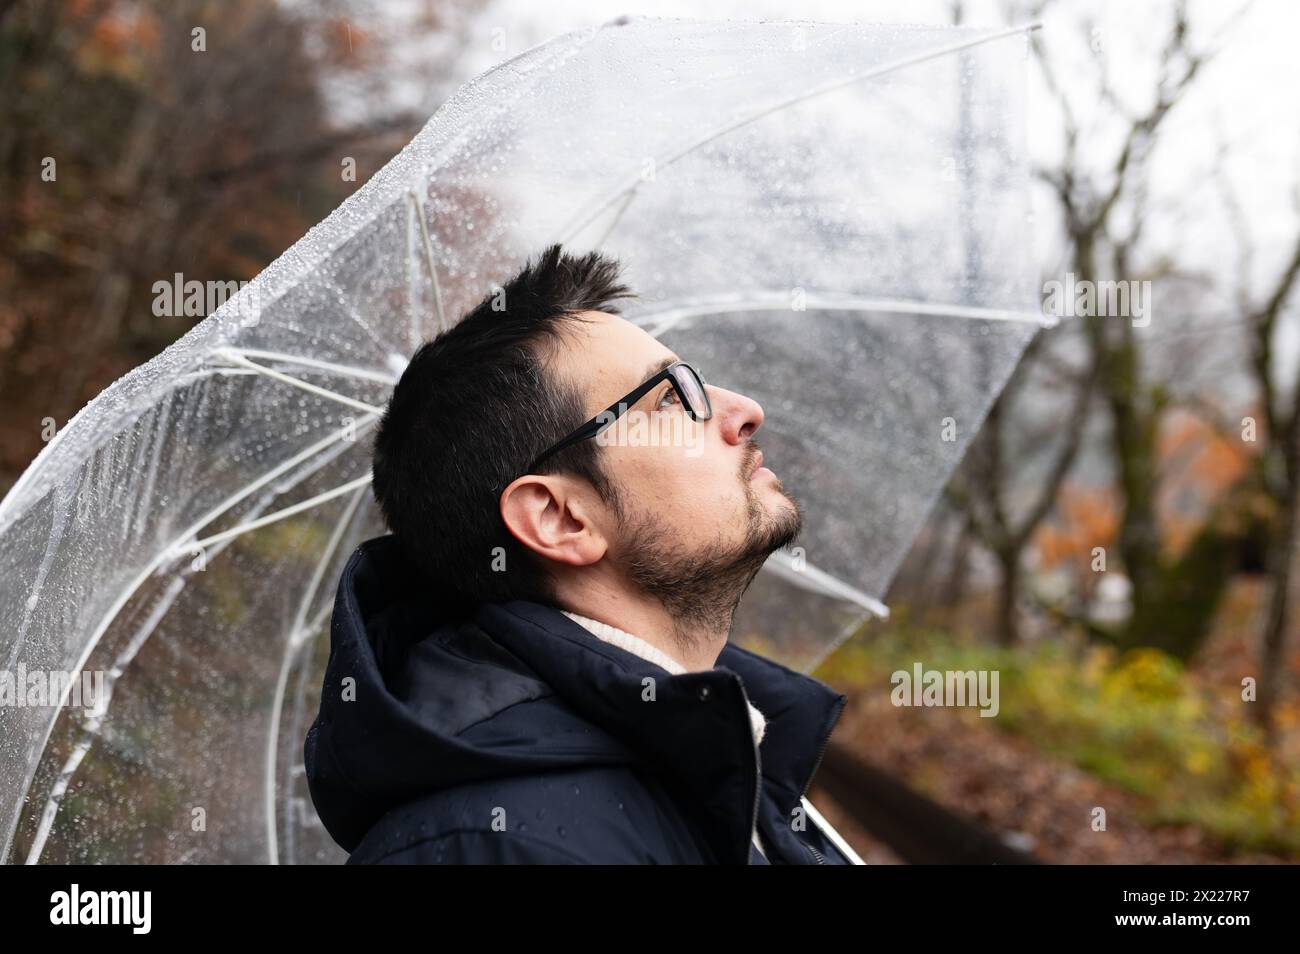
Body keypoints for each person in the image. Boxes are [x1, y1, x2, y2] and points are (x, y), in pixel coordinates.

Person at [303, 244, 860, 864]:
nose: (744, 411)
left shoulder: (727, 754)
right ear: (561, 517)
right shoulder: (499, 849)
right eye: (671, 398)